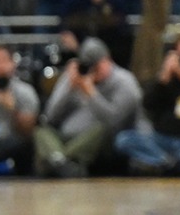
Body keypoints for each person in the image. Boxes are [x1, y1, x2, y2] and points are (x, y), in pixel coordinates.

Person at [114, 33, 180, 173]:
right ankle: (167, 162)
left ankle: (171, 163)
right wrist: (163, 79)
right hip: (162, 139)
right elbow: (148, 105)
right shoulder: (169, 79)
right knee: (123, 139)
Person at [34, 38, 141, 177]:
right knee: (41, 129)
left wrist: (91, 93)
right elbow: (50, 115)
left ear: (107, 60)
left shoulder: (125, 82)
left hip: (96, 141)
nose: (92, 72)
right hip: (65, 137)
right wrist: (69, 87)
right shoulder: (75, 77)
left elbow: (114, 122)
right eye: (88, 66)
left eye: (96, 66)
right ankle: (62, 162)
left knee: (102, 129)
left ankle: (58, 161)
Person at [0, 45, 40, 173]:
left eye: (3, 60)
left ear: (12, 64)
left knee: (23, 144)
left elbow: (27, 132)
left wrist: (12, 109)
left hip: (12, 144)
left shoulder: (25, 92)